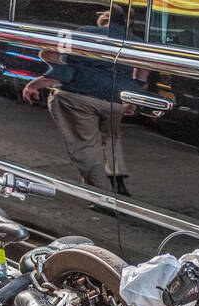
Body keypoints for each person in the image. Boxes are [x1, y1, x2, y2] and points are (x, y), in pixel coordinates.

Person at [22, 7, 137, 196]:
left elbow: (50, 55)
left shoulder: (85, 33)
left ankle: (100, 195)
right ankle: (119, 187)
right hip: (116, 101)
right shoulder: (136, 42)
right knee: (111, 142)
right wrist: (131, 101)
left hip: (79, 97)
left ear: (103, 17)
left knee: (85, 146)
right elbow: (141, 74)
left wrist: (37, 83)